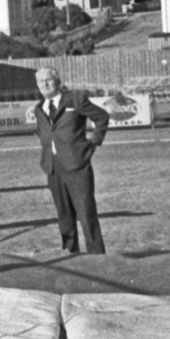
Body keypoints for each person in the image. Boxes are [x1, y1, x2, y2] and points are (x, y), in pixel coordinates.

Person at [33, 67, 110, 254]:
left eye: (48, 80)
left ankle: (96, 255)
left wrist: (92, 143)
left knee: (86, 213)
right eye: (40, 81)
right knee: (64, 215)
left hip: (77, 165)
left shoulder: (74, 99)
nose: (44, 84)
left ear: (57, 81)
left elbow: (102, 117)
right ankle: (70, 253)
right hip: (53, 168)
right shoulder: (39, 108)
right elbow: (43, 131)